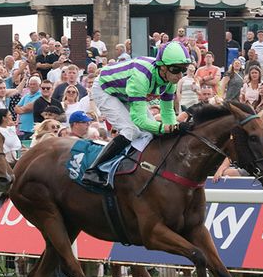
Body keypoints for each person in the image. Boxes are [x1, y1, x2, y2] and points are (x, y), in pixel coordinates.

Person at [81, 41, 190, 187]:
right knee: (131, 130)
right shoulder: (141, 77)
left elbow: (168, 111)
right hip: (105, 90)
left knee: (150, 133)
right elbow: (139, 120)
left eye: (184, 69)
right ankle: (93, 170)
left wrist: (173, 128)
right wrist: (167, 128)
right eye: (176, 69)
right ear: (163, 67)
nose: (180, 75)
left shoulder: (171, 80)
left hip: (124, 92)